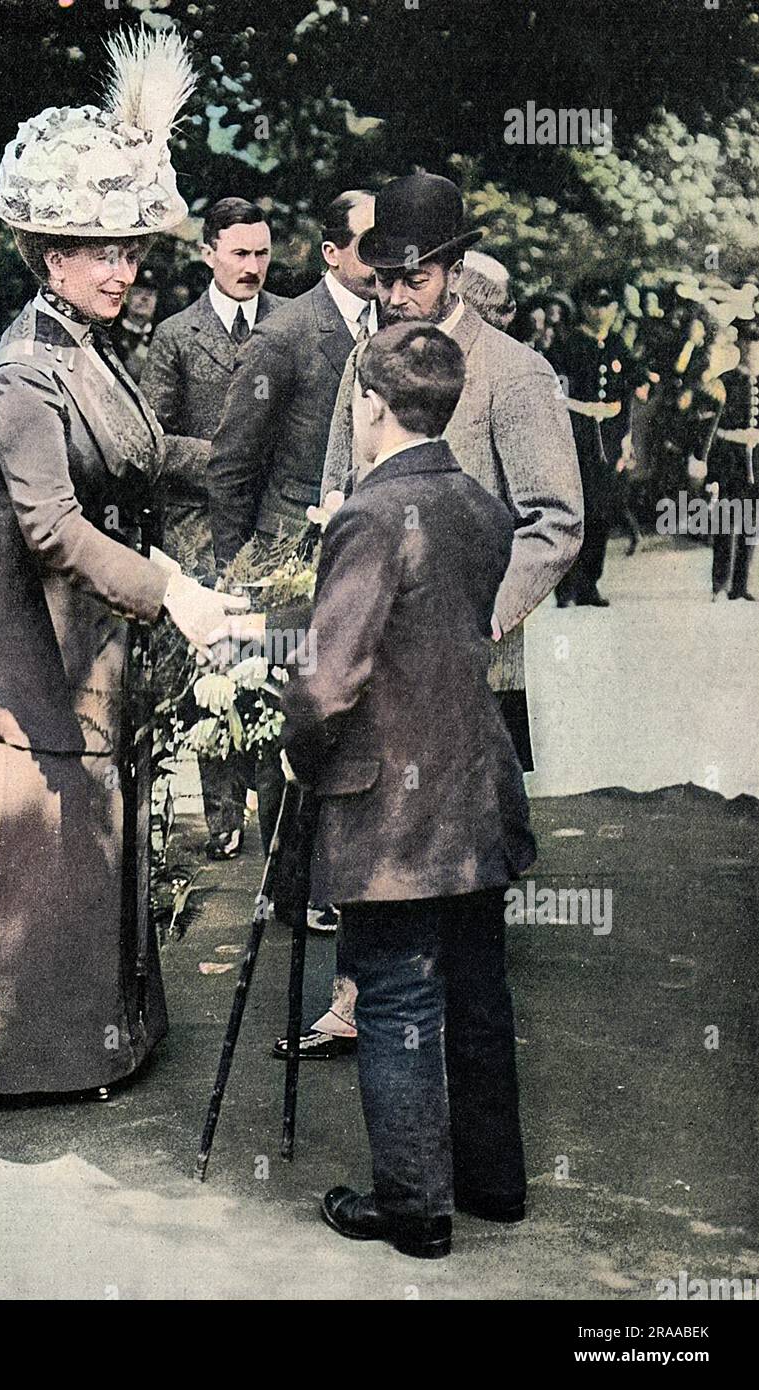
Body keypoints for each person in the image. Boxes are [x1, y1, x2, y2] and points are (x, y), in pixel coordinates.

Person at [0, 29, 247, 1100]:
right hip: (14, 654)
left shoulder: (91, 349)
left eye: (132, 251)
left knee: (83, 846)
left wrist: (263, 473)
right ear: (51, 257)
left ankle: (94, 1043)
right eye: (101, 252)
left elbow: (146, 456)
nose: (124, 269)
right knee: (27, 856)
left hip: (84, 648)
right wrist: (176, 593)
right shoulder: (24, 369)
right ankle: (10, 1065)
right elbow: (54, 529)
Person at [284, 172, 580, 1060]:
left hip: (472, 647)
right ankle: (362, 996)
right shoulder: (363, 361)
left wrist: (485, 618)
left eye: (415, 279)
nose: (397, 296)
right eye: (382, 280)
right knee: (369, 809)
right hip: (380, 641)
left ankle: (430, 1006)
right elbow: (345, 478)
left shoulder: (515, 373)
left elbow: (555, 520)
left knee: (457, 843)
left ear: (453, 272)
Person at [281, 322, 536, 1258]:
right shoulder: (478, 506)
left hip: (391, 804)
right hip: (475, 790)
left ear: (371, 405)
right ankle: (493, 1187)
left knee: (392, 996)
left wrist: (298, 753)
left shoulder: (368, 516)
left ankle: (414, 1210)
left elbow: (324, 681)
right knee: (475, 991)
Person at [207, 189, 378, 882]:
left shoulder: (395, 324)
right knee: (295, 724)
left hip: (367, 557)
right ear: (332, 253)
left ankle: (348, 883)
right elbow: (231, 464)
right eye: (371, 245)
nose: (387, 261)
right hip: (292, 562)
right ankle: (291, 888)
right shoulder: (285, 335)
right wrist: (237, 578)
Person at [142, 197, 288, 859]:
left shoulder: (292, 325)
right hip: (199, 528)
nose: (252, 267)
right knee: (215, 670)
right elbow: (148, 441)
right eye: (239, 254)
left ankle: (281, 823)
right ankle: (225, 820)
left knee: (277, 666)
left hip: (274, 529)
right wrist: (226, 462)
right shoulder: (176, 334)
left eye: (261, 254)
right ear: (209, 254)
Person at [547, 279, 650, 606]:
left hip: (610, 439)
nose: (602, 311)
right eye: (595, 304)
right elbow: (553, 391)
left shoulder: (618, 344)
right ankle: (566, 587)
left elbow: (636, 382)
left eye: (608, 305)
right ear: (584, 307)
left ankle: (590, 584)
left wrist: (644, 384)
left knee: (601, 514)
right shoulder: (567, 346)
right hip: (577, 436)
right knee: (574, 512)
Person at [700, 315, 759, 601]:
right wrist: (712, 473)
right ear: (741, 348)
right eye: (749, 345)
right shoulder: (724, 383)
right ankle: (719, 583)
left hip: (756, 461)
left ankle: (740, 586)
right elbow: (711, 430)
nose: (753, 351)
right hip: (730, 461)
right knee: (726, 524)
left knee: (750, 525)